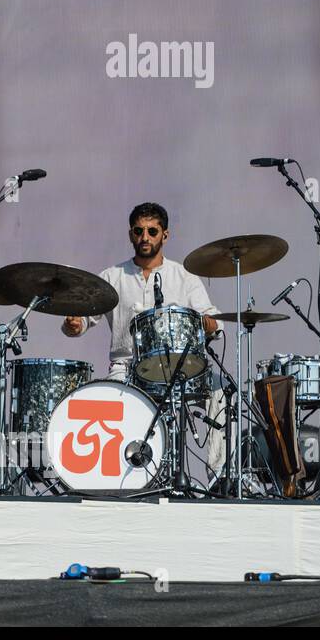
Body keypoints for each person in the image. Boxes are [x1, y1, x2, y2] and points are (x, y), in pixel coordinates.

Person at [62, 202, 225, 473]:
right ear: (131, 235)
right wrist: (73, 324)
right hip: (125, 370)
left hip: (177, 372)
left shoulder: (183, 277)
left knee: (220, 389)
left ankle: (218, 476)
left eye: (152, 231)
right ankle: (116, 479)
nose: (145, 237)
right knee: (101, 400)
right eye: (138, 231)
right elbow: (79, 324)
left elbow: (215, 319)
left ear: (165, 234)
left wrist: (210, 324)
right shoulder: (112, 277)